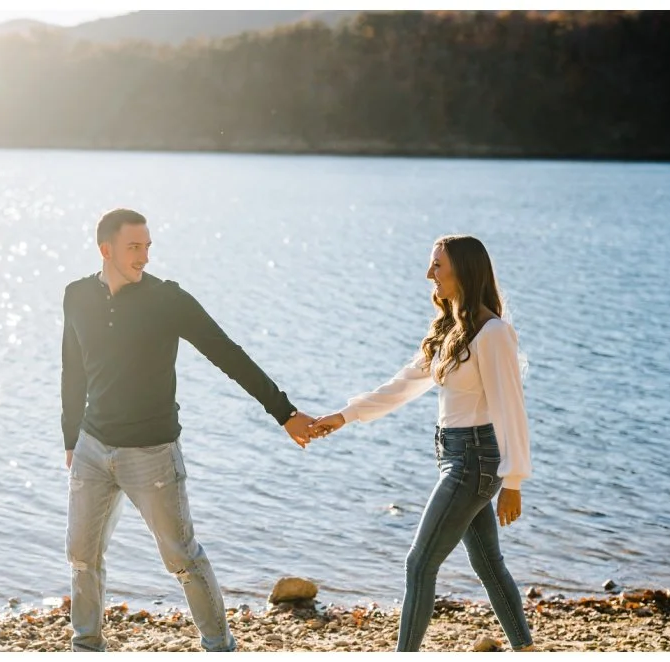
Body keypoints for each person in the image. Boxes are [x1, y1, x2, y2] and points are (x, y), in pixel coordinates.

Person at [60, 208, 317, 652]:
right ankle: (86, 647)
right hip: (92, 447)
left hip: (152, 454)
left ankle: (220, 647)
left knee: (182, 558)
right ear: (106, 249)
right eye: (133, 247)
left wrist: (284, 412)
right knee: (82, 556)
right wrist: (70, 438)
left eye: (147, 247)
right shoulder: (77, 295)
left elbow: (226, 353)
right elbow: (72, 370)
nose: (144, 256)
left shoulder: (168, 300)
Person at [308, 234, 536, 652]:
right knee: (488, 563)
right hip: (456, 456)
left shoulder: (493, 333)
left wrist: (514, 480)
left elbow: (511, 409)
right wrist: (345, 416)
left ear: (463, 271)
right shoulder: (452, 329)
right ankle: (526, 649)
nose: (429, 273)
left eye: (437, 266)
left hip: (474, 460)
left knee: (419, 563)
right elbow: (404, 384)